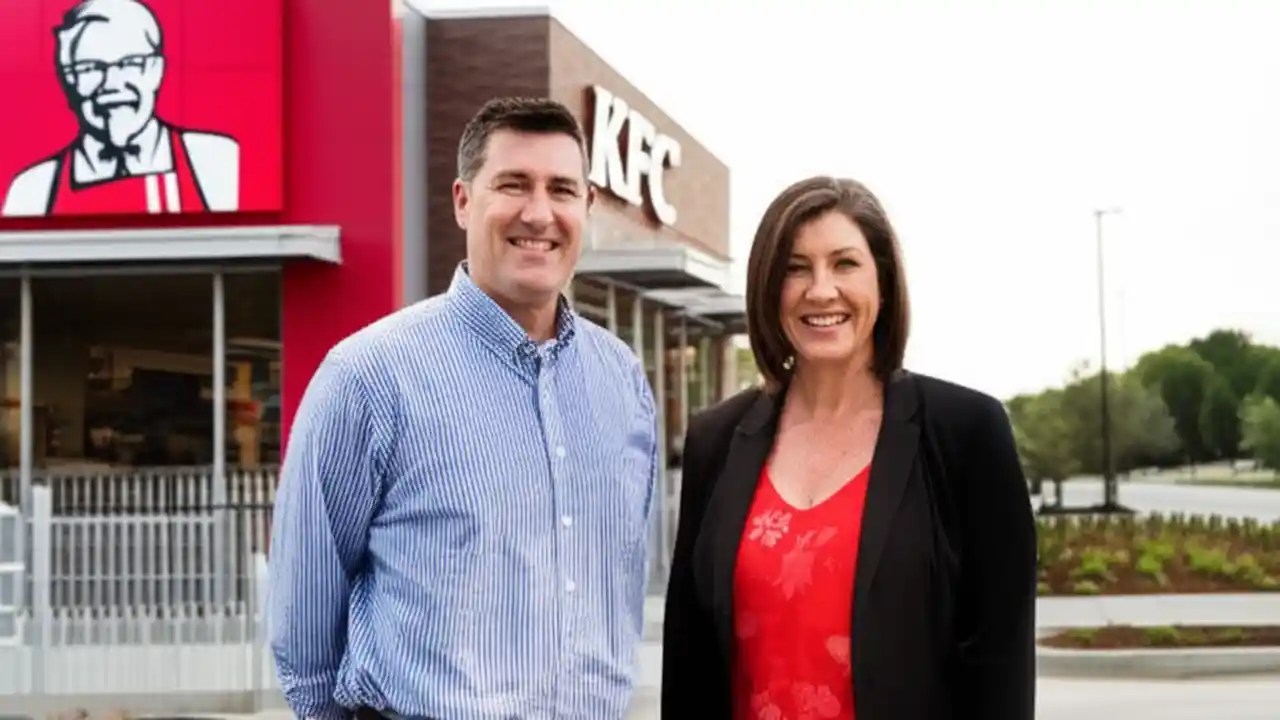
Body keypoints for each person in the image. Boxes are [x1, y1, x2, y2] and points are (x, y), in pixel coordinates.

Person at [269, 97, 658, 719]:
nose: (539, 212)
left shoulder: (622, 382)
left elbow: (623, 585)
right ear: (462, 201)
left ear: (586, 207)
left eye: (562, 189)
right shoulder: (370, 378)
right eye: (513, 184)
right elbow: (304, 620)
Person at [661, 176, 1036, 719]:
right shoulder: (716, 441)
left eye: (844, 264)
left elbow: (1000, 667)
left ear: (882, 281)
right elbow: (690, 664)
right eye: (795, 267)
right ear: (769, 288)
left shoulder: (967, 433)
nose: (820, 290)